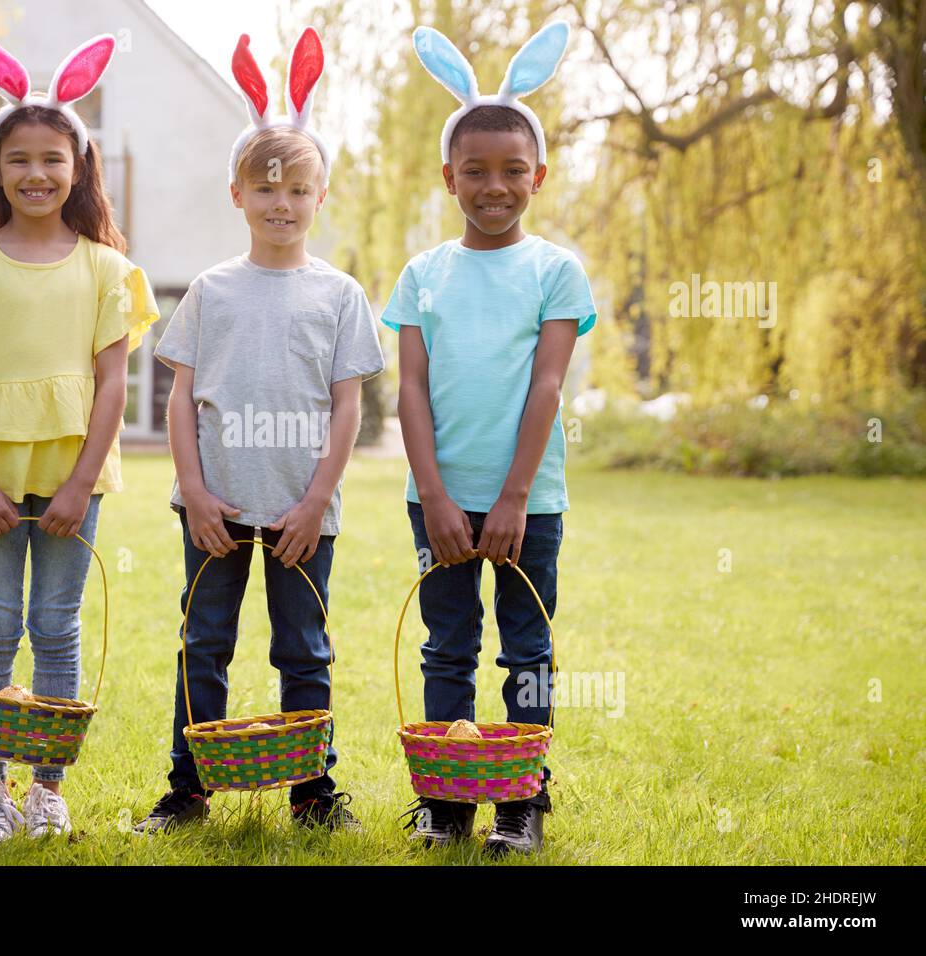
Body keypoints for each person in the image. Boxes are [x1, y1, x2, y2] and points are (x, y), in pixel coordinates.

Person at [132, 29, 385, 834]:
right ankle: (188, 787)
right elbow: (181, 400)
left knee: (303, 650)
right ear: (236, 194)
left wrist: (317, 500)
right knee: (203, 642)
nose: (283, 202)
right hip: (214, 506)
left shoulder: (340, 294)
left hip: (300, 512)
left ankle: (313, 793)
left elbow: (348, 407)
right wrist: (196, 493)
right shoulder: (210, 291)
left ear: (318, 197)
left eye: (299, 190)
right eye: (266, 188)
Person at [0, 32, 157, 844]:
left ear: (79, 168)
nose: (36, 174)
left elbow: (115, 382)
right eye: (18, 159)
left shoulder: (106, 271)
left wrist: (83, 482)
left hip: (70, 475)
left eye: (53, 159)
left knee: (56, 624)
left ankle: (47, 787)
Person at [384, 23, 595, 855]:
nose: (494, 186)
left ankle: (521, 800)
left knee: (528, 649)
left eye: (512, 171)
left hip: (527, 501)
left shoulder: (555, 272)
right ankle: (446, 800)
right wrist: (434, 494)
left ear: (537, 176)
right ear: (449, 179)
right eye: (476, 171)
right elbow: (407, 389)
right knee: (447, 647)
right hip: (437, 498)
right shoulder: (422, 275)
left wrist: (512, 497)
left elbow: (546, 387)